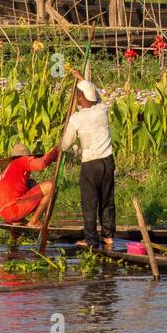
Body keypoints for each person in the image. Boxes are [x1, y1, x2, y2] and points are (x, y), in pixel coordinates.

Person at [60, 79, 115, 249]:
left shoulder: (77, 119)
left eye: (78, 95)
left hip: (91, 164)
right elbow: (96, 96)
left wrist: (67, 130)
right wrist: (80, 78)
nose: (76, 98)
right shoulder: (103, 109)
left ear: (81, 97)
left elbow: (65, 145)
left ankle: (90, 240)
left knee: (89, 202)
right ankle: (108, 236)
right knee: (107, 200)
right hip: (107, 161)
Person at [0, 142, 59, 226]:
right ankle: (34, 221)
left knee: (31, 183)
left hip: (4, 212)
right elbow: (41, 164)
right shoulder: (22, 160)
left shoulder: (9, 169)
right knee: (52, 186)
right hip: (13, 208)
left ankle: (17, 224)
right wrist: (56, 149)